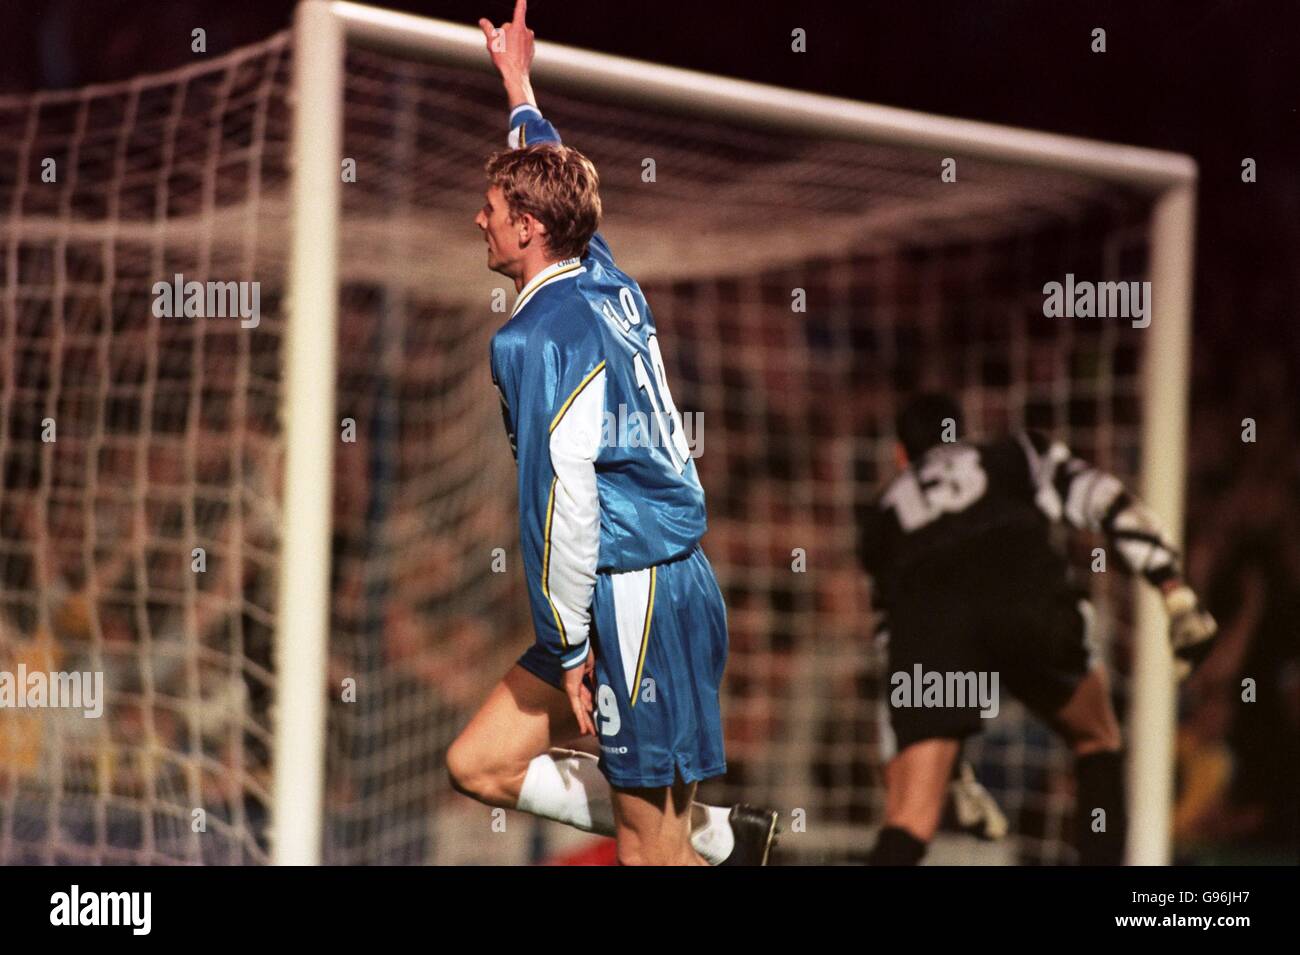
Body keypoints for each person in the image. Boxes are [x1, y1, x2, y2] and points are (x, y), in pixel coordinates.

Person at [446, 0, 777, 866]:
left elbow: (565, 496)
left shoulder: (530, 336)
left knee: (647, 858)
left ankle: (688, 837)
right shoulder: (602, 274)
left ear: (527, 229)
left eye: (490, 208)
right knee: (478, 762)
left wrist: (567, 645)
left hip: (633, 597)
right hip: (650, 585)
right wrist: (518, 88)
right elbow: (557, 180)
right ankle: (715, 836)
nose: (478, 219)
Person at [857, 392, 1218, 865]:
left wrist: (947, 764)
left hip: (932, 624)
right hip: (1023, 591)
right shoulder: (1015, 452)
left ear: (900, 456)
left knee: (909, 816)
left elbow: (893, 639)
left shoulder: (881, 517)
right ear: (962, 433)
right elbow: (1101, 498)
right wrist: (1171, 587)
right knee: (1098, 739)